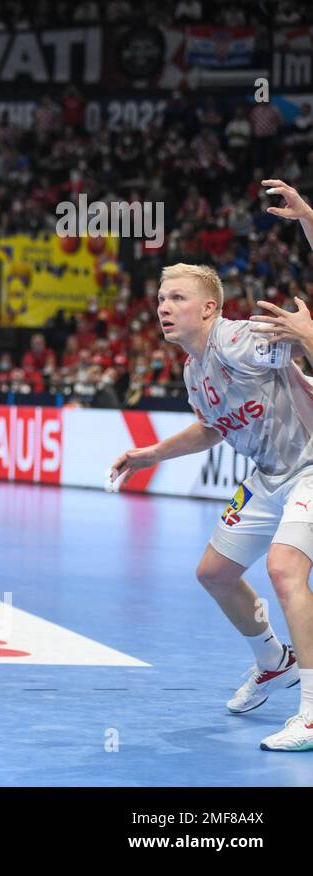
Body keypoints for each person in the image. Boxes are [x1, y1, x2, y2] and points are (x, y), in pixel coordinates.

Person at [109, 191, 313, 751]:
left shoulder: (241, 341)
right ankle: (274, 661)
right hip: (270, 473)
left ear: (209, 309)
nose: (163, 306)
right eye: (159, 298)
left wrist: (304, 331)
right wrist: (149, 454)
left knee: (285, 569)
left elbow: (297, 346)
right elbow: (214, 427)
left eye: (177, 297)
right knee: (214, 574)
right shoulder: (193, 368)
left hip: (312, 464)